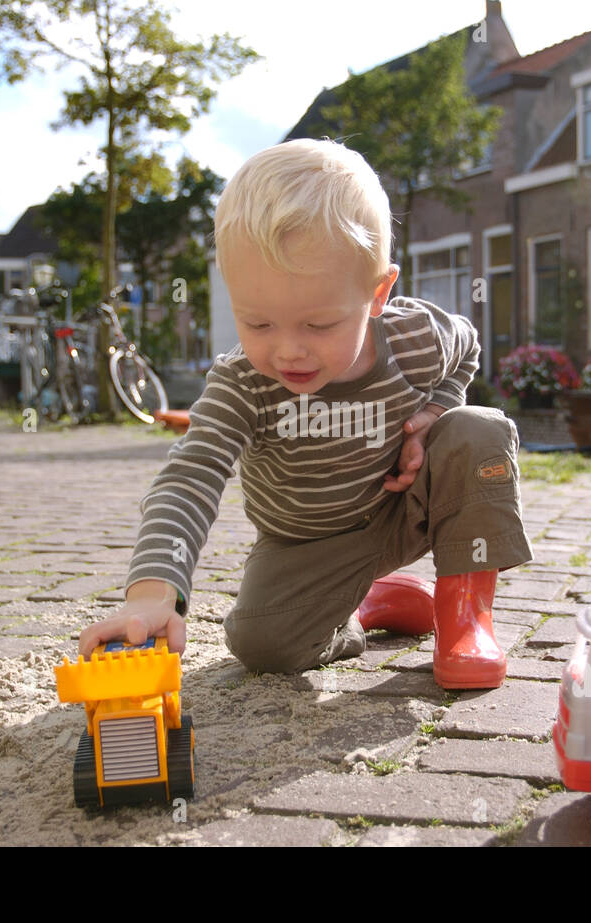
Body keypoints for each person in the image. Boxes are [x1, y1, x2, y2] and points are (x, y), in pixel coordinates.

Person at [78, 138, 534, 689]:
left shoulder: (416, 335)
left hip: (405, 509)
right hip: (307, 543)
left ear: (378, 293)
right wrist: (154, 593)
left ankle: (464, 618)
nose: (289, 349)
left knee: (478, 429)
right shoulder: (241, 382)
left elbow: (468, 348)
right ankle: (362, 606)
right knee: (262, 645)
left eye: (319, 325)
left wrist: (435, 411)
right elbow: (190, 477)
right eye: (260, 324)